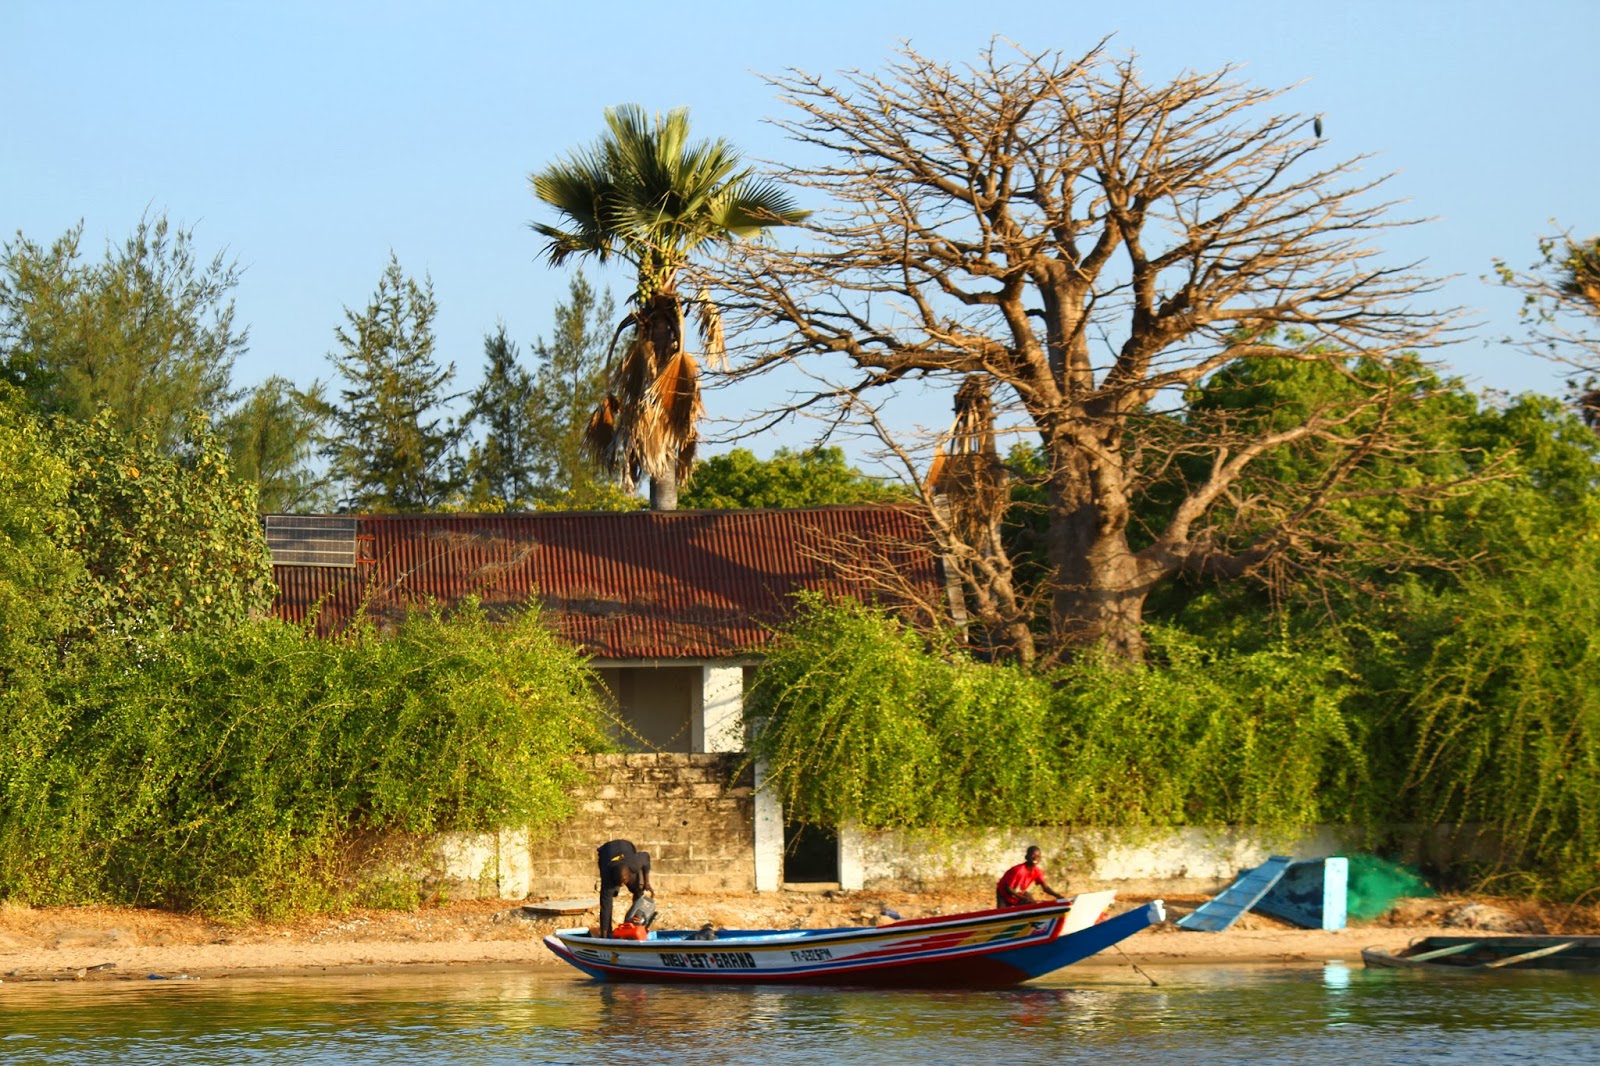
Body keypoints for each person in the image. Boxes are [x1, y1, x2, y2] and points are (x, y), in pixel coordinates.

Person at [596, 839, 654, 937]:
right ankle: (607, 931)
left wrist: (647, 882)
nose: (623, 884)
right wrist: (604, 936)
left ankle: (636, 923)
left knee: (639, 889)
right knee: (607, 899)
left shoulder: (634, 864)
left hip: (627, 846)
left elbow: (646, 856)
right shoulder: (608, 877)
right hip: (606, 852)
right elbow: (605, 908)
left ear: (628, 875)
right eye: (620, 883)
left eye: (624, 881)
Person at [995, 845, 1064, 908]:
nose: (1035, 858)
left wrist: (1058, 896)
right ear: (1026, 857)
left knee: (1033, 905)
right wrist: (1022, 898)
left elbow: (1045, 888)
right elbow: (1007, 888)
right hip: (1003, 894)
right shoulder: (1018, 870)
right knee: (1001, 913)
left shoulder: (1037, 872)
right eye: (1033, 855)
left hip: (1019, 893)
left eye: (1038, 856)